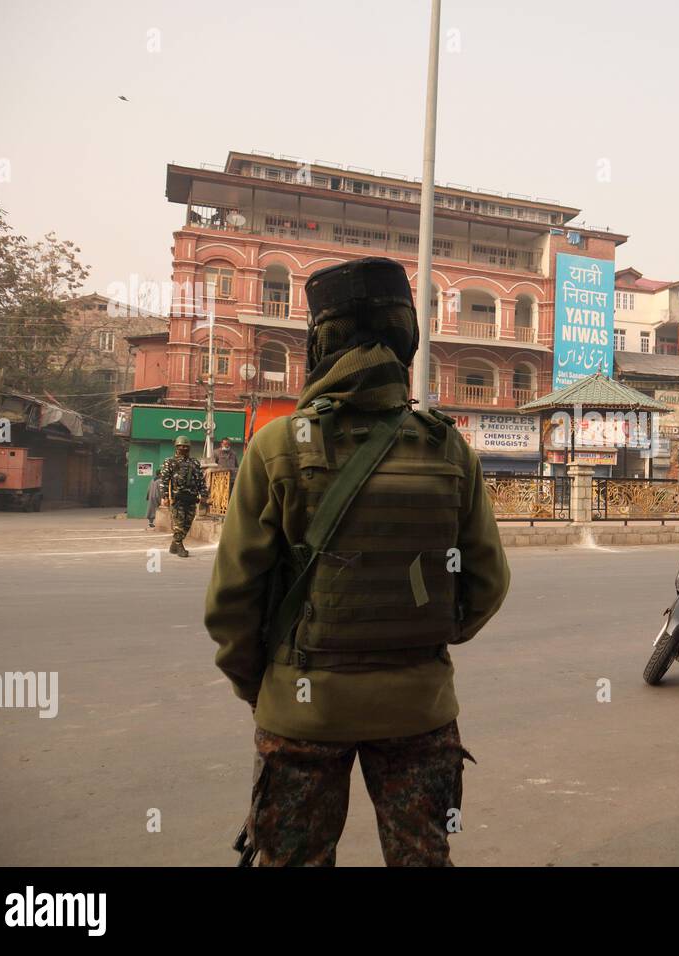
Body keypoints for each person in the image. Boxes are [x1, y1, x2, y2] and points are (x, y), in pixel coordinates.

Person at [204, 256, 510, 867]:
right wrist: (422, 640)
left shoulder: (274, 447)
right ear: (406, 338)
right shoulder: (447, 446)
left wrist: (263, 688)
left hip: (303, 709)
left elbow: (232, 602)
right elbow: (486, 584)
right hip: (418, 708)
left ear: (320, 342)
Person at [157, 436, 206, 556]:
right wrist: (165, 496)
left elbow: (200, 480)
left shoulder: (195, 462)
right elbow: (164, 480)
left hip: (191, 498)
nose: (183, 448)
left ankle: (174, 545)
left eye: (186, 446)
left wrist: (204, 494)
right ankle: (179, 546)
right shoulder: (170, 462)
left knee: (187, 523)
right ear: (176, 447)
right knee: (179, 523)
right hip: (177, 498)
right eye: (181, 446)